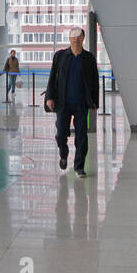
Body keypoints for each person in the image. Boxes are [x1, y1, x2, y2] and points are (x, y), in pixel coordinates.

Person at [43, 27, 99, 177]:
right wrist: (49, 97)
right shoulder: (60, 56)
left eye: (79, 37)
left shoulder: (89, 58)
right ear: (69, 39)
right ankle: (63, 153)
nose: (76, 40)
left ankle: (79, 166)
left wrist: (95, 102)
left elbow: (94, 81)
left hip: (81, 104)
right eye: (73, 37)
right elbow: (52, 77)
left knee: (82, 136)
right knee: (61, 132)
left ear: (83, 39)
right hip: (62, 103)